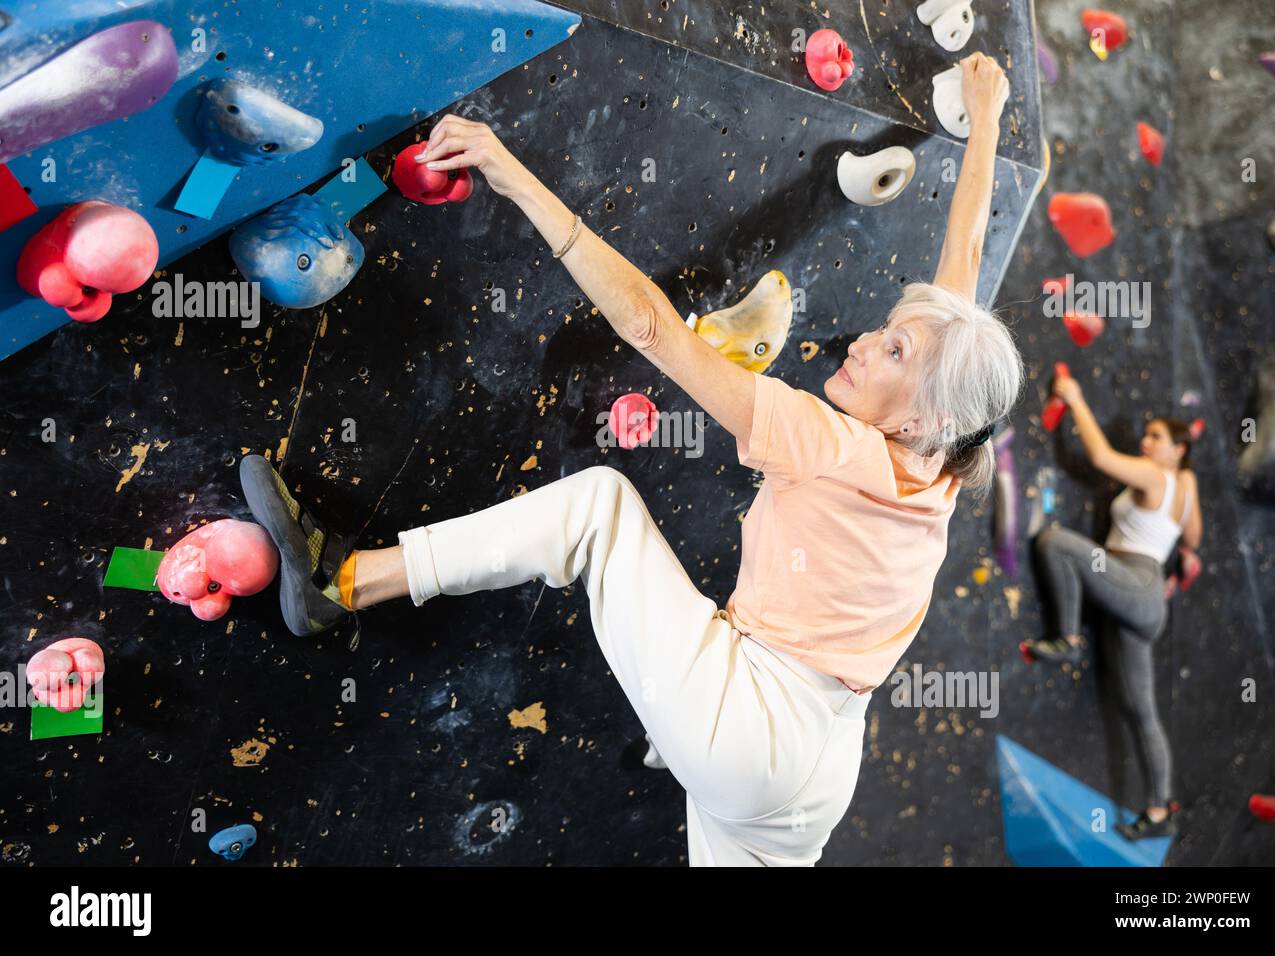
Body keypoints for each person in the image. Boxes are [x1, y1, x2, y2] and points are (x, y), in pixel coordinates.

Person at [239, 51, 1023, 865]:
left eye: (891, 350)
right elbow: (957, 289)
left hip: (748, 734)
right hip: (816, 777)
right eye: (887, 330)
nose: (864, 342)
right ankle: (687, 729)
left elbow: (652, 328)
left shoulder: (828, 440)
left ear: (926, 413)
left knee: (599, 509)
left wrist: (513, 176)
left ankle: (343, 581)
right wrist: (986, 121)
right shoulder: (942, 465)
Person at [1027, 374, 1203, 840]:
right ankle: (1160, 812)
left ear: (1178, 449)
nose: (1146, 442)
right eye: (1146, 434)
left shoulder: (1157, 475)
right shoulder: (1186, 486)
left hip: (1134, 582)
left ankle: (1068, 637)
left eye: (1156, 437)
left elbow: (1101, 458)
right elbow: (1192, 540)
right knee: (1141, 711)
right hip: (1141, 596)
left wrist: (1076, 399)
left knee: (1054, 541)